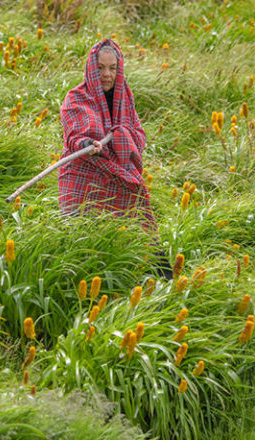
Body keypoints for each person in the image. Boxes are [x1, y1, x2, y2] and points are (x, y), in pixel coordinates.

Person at [58, 39, 172, 277]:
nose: (107, 74)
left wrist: (121, 136)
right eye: (100, 68)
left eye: (112, 68)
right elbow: (74, 135)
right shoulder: (76, 97)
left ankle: (158, 282)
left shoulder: (124, 98)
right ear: (91, 68)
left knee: (141, 225)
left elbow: (138, 134)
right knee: (81, 242)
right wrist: (88, 144)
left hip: (119, 175)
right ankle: (81, 282)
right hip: (83, 177)